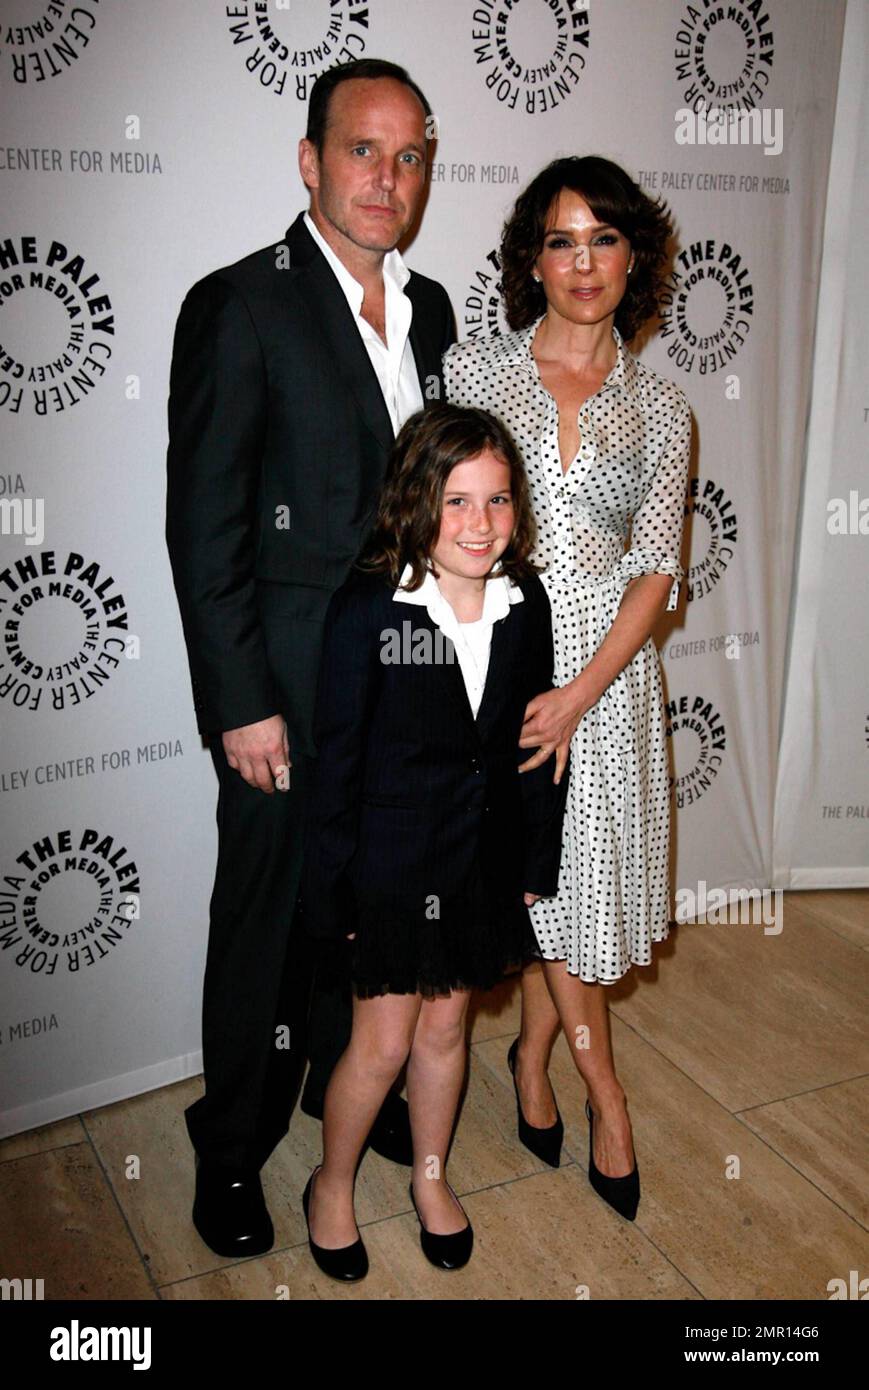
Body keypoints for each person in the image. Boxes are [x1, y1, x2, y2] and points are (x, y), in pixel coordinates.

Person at [165, 59, 454, 1259]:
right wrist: (240, 705)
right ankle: (230, 1147)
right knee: (267, 924)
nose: (387, 179)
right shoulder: (242, 303)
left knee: (371, 914)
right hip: (282, 692)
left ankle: (360, 1089)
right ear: (309, 161)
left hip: (402, 686)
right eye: (361, 151)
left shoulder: (432, 310)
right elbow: (205, 524)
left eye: (409, 156)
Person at [444, 156, 692, 1221]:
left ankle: (533, 1064)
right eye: (559, 239)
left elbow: (655, 572)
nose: (581, 262)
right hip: (499, 665)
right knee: (545, 897)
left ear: (631, 257)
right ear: (529, 259)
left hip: (607, 677)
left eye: (602, 239)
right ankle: (605, 1093)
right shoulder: (472, 373)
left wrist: (583, 690)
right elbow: (443, 528)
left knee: (575, 904)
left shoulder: (665, 407)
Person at [298, 404, 568, 1280]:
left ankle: (428, 1175)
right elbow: (335, 763)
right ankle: (331, 1184)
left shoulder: (526, 606)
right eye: (456, 501)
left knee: (446, 1034)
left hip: (477, 865)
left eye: (496, 502)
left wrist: (533, 862)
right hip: (388, 867)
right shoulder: (369, 608)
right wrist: (332, 888)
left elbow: (532, 750)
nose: (479, 525)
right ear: (414, 500)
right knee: (379, 1045)